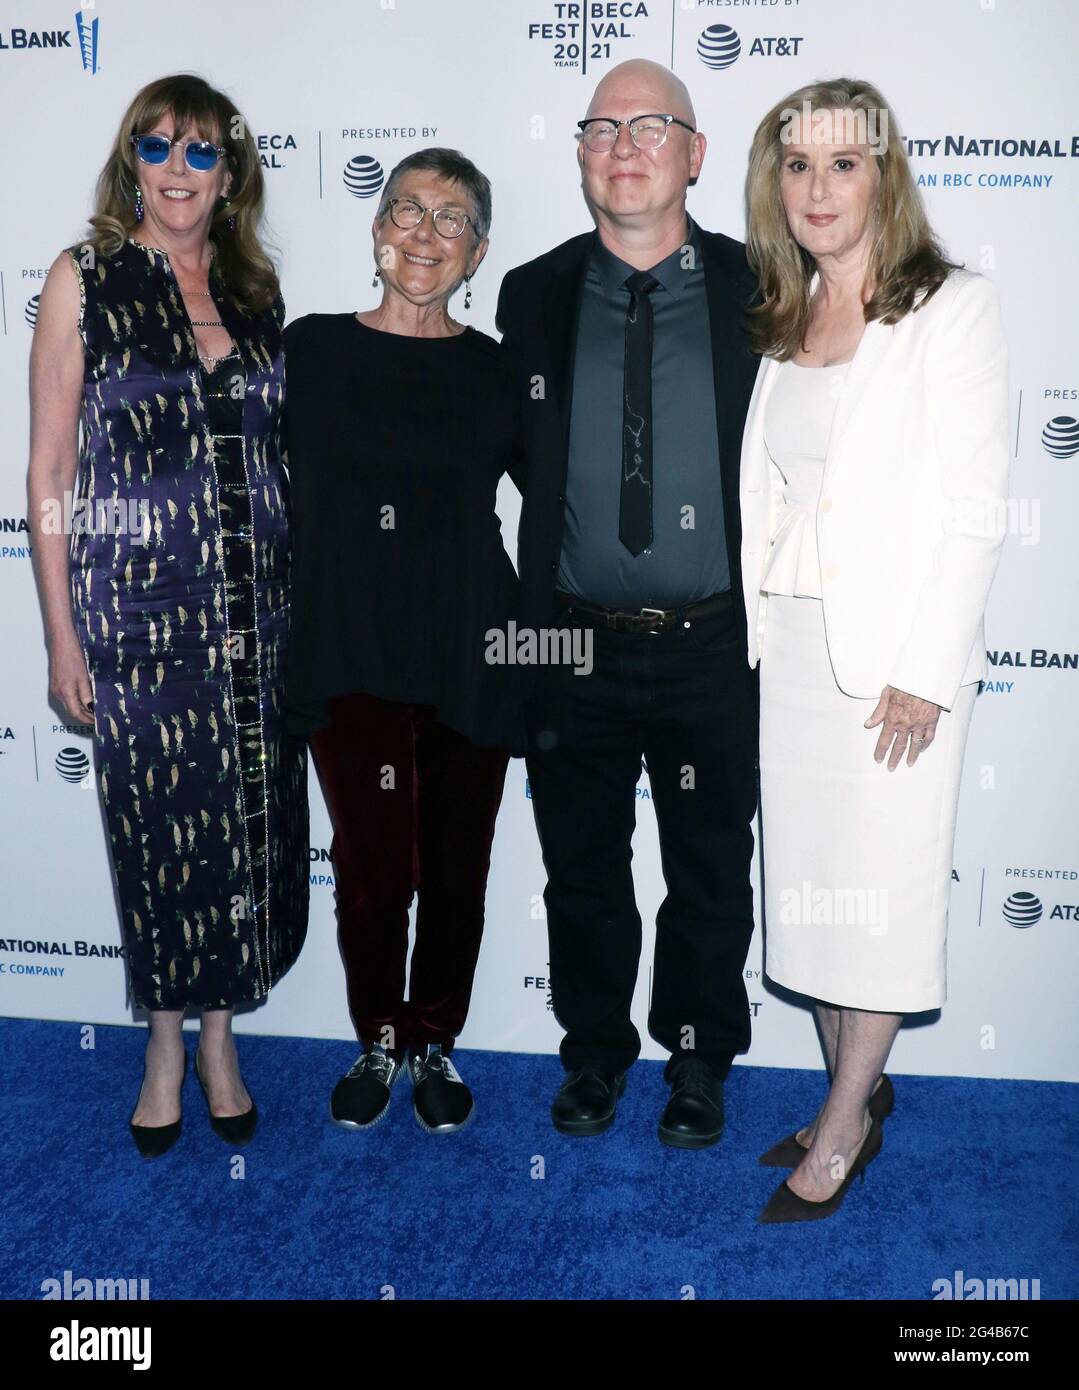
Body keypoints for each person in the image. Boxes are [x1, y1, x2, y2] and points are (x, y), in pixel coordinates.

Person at [739, 79, 1009, 1221]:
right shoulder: (785, 310)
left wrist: (926, 666)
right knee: (813, 894)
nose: (817, 187)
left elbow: (973, 508)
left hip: (895, 658)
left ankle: (845, 1121)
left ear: (883, 174)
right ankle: (843, 1085)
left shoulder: (949, 307)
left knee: (881, 896)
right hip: (795, 648)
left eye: (842, 164)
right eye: (796, 165)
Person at [27, 74, 310, 1158]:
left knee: (246, 827)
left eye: (201, 154)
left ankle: (223, 1043)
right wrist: (61, 632)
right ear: (129, 160)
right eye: (157, 147)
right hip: (140, 617)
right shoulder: (83, 279)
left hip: (258, 612)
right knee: (158, 839)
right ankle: (160, 1049)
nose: (177, 171)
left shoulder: (254, 288)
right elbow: (51, 466)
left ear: (230, 173)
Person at [497, 60, 761, 1147]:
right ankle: (594, 1052)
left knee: (707, 862)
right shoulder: (533, 292)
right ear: (578, 156)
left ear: (694, 155)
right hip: (565, 637)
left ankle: (696, 1059)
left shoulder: (761, 289)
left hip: (714, 642)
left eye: (651, 125)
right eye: (601, 128)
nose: (624, 145)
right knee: (582, 867)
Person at [281, 148, 526, 1136]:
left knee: (458, 866)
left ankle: (435, 1041)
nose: (425, 233)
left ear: (476, 251)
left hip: (472, 651)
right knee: (371, 868)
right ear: (375, 228)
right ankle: (376, 1034)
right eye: (407, 211)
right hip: (345, 650)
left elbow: (558, 511)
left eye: (452, 218)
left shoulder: (499, 372)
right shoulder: (309, 349)